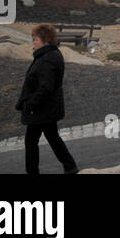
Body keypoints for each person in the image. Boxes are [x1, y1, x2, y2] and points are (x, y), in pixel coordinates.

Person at [16, 23, 79, 174]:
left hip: (41, 110)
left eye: (35, 39)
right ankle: (70, 166)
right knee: (52, 138)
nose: (33, 42)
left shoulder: (47, 58)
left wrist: (30, 104)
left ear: (45, 40)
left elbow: (46, 87)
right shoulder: (50, 54)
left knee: (32, 142)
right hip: (47, 108)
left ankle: (34, 171)